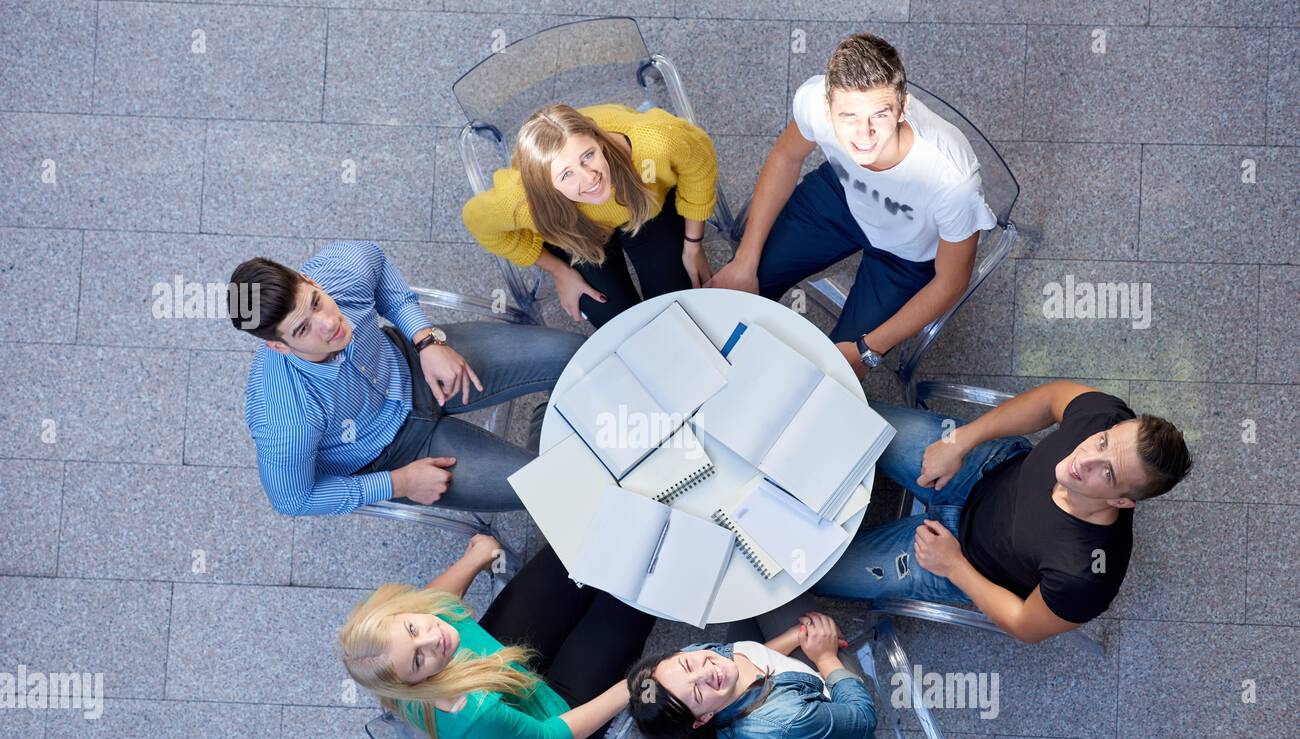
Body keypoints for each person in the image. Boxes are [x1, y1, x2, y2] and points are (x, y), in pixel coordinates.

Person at [707, 32, 995, 377]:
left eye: (879, 114)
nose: (864, 133)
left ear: (903, 108)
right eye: (849, 116)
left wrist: (867, 349)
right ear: (829, 107)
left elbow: (950, 281)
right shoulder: (815, 102)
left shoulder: (952, 181)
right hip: (841, 198)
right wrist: (744, 260)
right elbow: (786, 157)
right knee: (730, 297)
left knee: (832, 376)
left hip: (905, 256)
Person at [814, 382, 1193, 642]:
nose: (1086, 458)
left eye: (1107, 473)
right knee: (844, 416)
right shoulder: (1105, 418)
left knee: (812, 569)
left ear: (1122, 502)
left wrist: (953, 566)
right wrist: (964, 439)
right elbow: (1050, 399)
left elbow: (1025, 625)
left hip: (960, 559)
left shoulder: (1087, 576)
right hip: (984, 466)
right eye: (1103, 442)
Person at [229, 240, 585, 516]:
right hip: (395, 456)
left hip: (411, 362)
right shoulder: (283, 416)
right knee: (552, 488)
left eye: (316, 302)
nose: (329, 324)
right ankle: (568, 451)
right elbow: (293, 498)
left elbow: (376, 261)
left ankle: (555, 422)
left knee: (578, 355)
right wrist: (399, 482)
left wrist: (426, 340)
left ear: (310, 281)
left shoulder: (338, 272)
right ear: (279, 347)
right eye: (304, 328)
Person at [339, 534, 656, 739]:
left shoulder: (384, 619)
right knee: (637, 588)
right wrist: (632, 686)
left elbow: (427, 603)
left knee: (581, 545)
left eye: (412, 628)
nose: (434, 638)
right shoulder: (473, 715)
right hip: (554, 718)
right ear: (414, 686)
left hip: (496, 660)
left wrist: (474, 560)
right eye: (418, 660)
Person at [462, 102, 718, 327]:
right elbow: (479, 223)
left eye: (588, 155)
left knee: (677, 300)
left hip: (644, 203)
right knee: (618, 324)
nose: (590, 179)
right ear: (547, 188)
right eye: (566, 174)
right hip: (576, 229)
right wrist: (558, 270)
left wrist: (693, 245)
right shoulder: (521, 202)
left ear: (599, 140)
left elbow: (699, 162)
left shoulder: (654, 143)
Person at [626, 598, 886, 739]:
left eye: (687, 665)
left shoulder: (691, 659)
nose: (707, 671)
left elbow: (753, 655)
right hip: (818, 722)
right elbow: (862, 719)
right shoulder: (786, 724)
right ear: (703, 718)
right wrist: (825, 656)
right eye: (696, 692)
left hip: (774, 738)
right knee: (787, 584)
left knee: (763, 585)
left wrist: (795, 636)